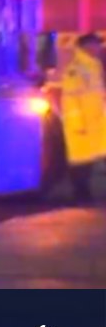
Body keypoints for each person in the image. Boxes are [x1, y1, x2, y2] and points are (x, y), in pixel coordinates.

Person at [61, 32, 105, 201]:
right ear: (85, 47)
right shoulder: (76, 69)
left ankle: (84, 194)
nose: (98, 48)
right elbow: (71, 99)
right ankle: (80, 195)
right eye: (95, 44)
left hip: (95, 123)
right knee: (80, 162)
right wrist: (77, 123)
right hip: (81, 126)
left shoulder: (94, 66)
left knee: (89, 162)